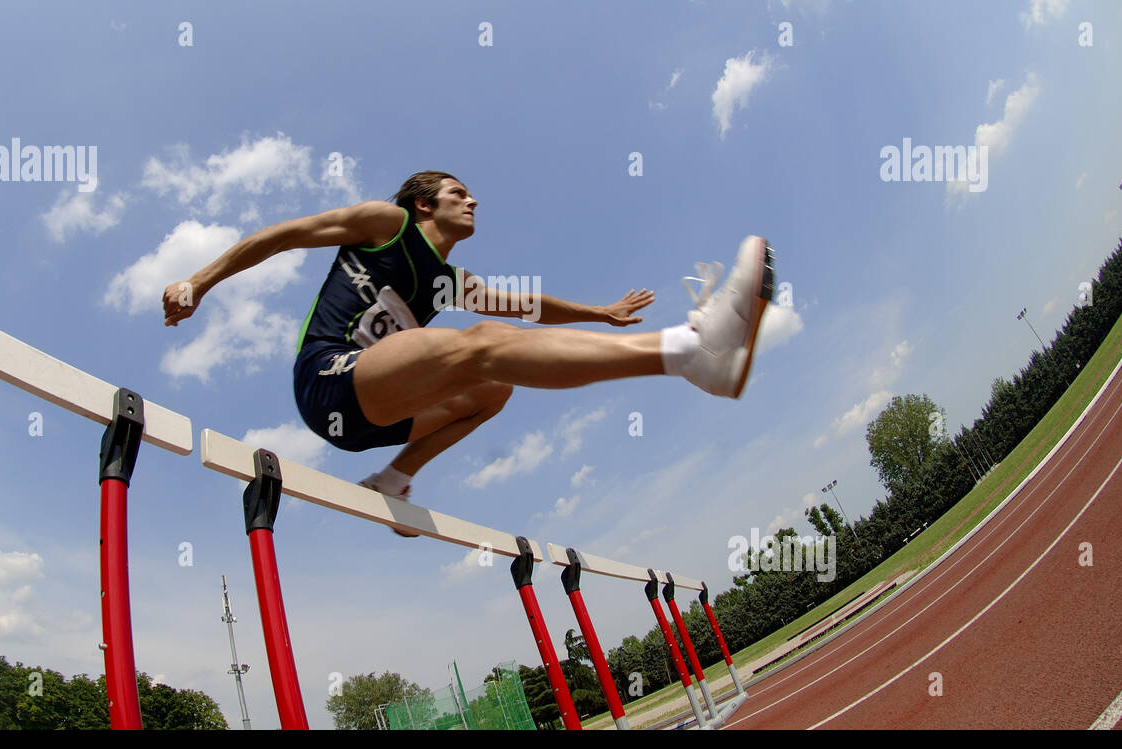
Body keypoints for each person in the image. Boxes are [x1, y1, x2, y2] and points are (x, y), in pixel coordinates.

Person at [163, 172, 774, 534]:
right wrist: (200, 281)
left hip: (374, 414)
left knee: (492, 386)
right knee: (483, 345)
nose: (474, 201)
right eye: (460, 193)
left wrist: (602, 312)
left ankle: (396, 478)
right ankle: (691, 352)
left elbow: (532, 307)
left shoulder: (451, 284)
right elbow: (282, 235)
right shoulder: (387, 223)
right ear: (425, 203)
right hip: (327, 381)